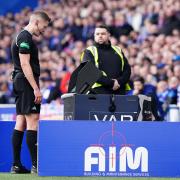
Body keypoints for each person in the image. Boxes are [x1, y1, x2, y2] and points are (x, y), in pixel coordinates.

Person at [11, 11, 51, 174]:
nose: (43, 30)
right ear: (36, 22)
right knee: (33, 120)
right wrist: (35, 88)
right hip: (27, 82)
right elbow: (25, 64)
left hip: (20, 80)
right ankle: (36, 165)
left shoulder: (21, 36)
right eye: (44, 26)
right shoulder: (25, 37)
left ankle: (16, 165)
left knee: (21, 121)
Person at [80, 25, 131, 95]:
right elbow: (90, 72)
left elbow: (127, 70)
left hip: (119, 90)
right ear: (94, 36)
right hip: (98, 92)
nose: (100, 36)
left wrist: (118, 82)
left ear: (109, 35)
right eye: (97, 34)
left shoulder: (118, 50)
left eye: (103, 34)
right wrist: (111, 83)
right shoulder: (89, 51)